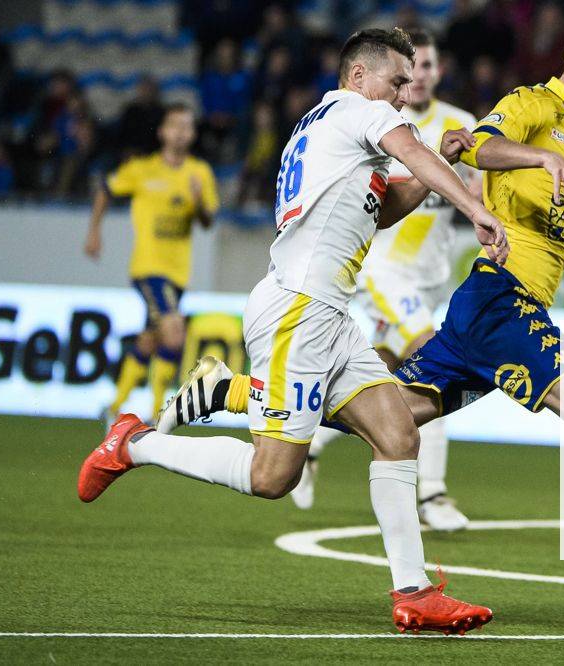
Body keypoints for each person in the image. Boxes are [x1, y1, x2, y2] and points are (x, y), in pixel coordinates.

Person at [159, 10, 564, 622]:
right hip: (501, 302)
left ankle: (232, 389)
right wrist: (538, 160)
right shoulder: (534, 105)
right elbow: (478, 144)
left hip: (482, 314)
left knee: (389, 419)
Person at [78, 28, 506, 635]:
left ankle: (414, 593)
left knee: (396, 431)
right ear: (358, 77)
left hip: (332, 315)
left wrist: (446, 159)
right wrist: (475, 206)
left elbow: (382, 209)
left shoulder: (327, 130)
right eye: (397, 81)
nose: (406, 94)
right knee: (273, 475)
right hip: (298, 310)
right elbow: (413, 153)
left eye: (411, 85)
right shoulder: (358, 110)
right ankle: (134, 444)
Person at [290, 30, 480, 532]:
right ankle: (433, 494)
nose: (418, 77)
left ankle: (312, 439)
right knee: (438, 359)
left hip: (430, 277)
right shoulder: (376, 120)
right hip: (384, 273)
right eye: (407, 72)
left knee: (387, 382)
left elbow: (482, 185)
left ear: (437, 70)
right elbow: (391, 199)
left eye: (428, 66)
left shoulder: (460, 124)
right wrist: (473, 205)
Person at [85, 104, 219, 423]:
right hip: (148, 269)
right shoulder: (141, 169)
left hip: (177, 273)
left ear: (193, 134)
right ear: (162, 131)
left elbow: (208, 220)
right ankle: (159, 414)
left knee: (151, 339)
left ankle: (114, 407)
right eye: (174, 125)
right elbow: (105, 190)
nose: (180, 132)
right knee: (174, 333)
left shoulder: (199, 173)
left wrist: (199, 201)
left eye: (187, 126)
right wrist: (94, 231)